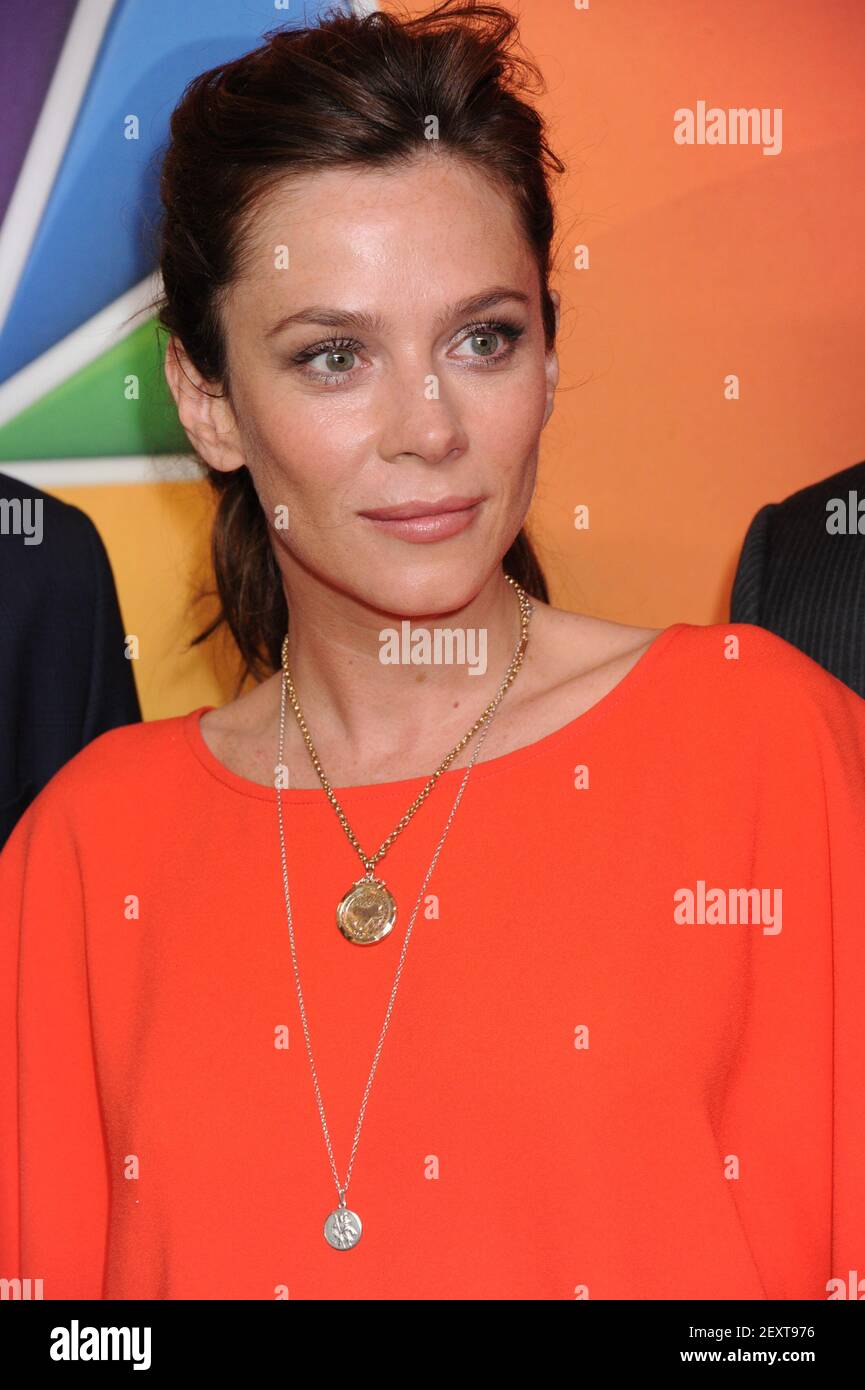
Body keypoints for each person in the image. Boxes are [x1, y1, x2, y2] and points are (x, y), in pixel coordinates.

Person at [1, 0, 863, 1301]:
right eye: (334, 355)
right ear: (208, 398)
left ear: (548, 350)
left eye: (481, 338)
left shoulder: (757, 745)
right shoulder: (86, 848)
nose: (430, 428)